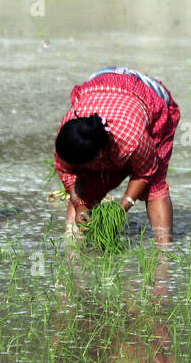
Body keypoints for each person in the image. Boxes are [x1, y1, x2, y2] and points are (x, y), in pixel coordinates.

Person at [54, 67, 181, 246]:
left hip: (151, 96)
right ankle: (74, 248)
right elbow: (67, 172)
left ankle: (165, 251)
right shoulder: (68, 136)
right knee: (87, 184)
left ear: (99, 155)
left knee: (154, 184)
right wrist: (79, 203)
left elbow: (144, 174)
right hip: (102, 85)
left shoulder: (132, 141)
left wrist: (122, 207)